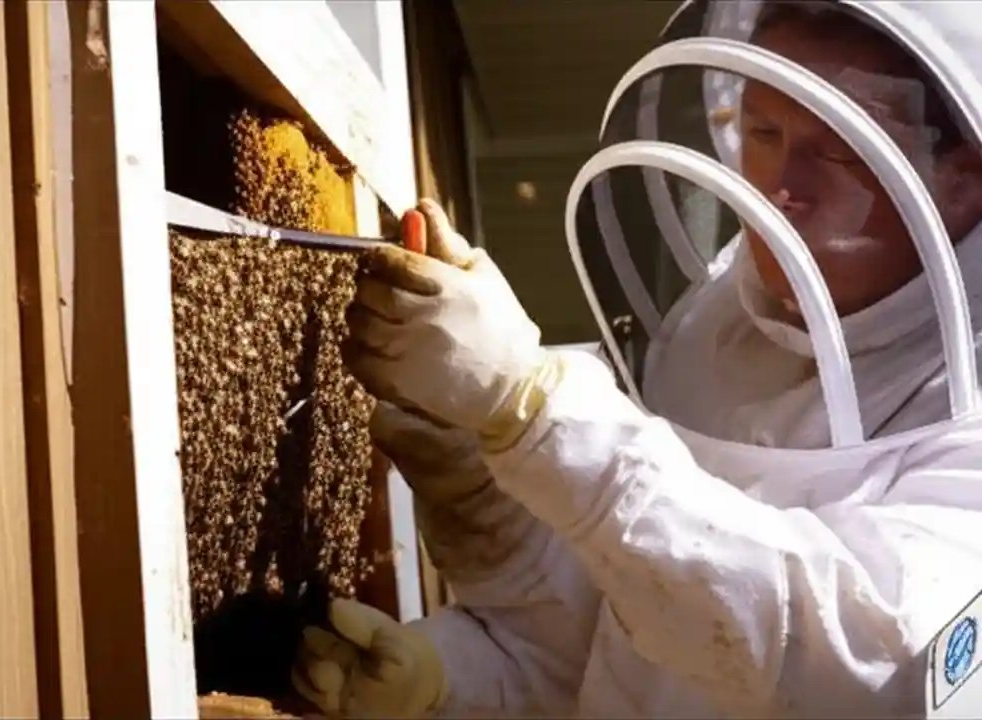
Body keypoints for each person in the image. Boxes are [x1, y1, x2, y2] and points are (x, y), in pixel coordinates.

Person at [291, 1, 982, 717]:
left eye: (838, 149)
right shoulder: (710, 335)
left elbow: (856, 656)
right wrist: (452, 678)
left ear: (963, 178)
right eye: (763, 133)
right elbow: (621, 640)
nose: (780, 187)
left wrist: (530, 409)